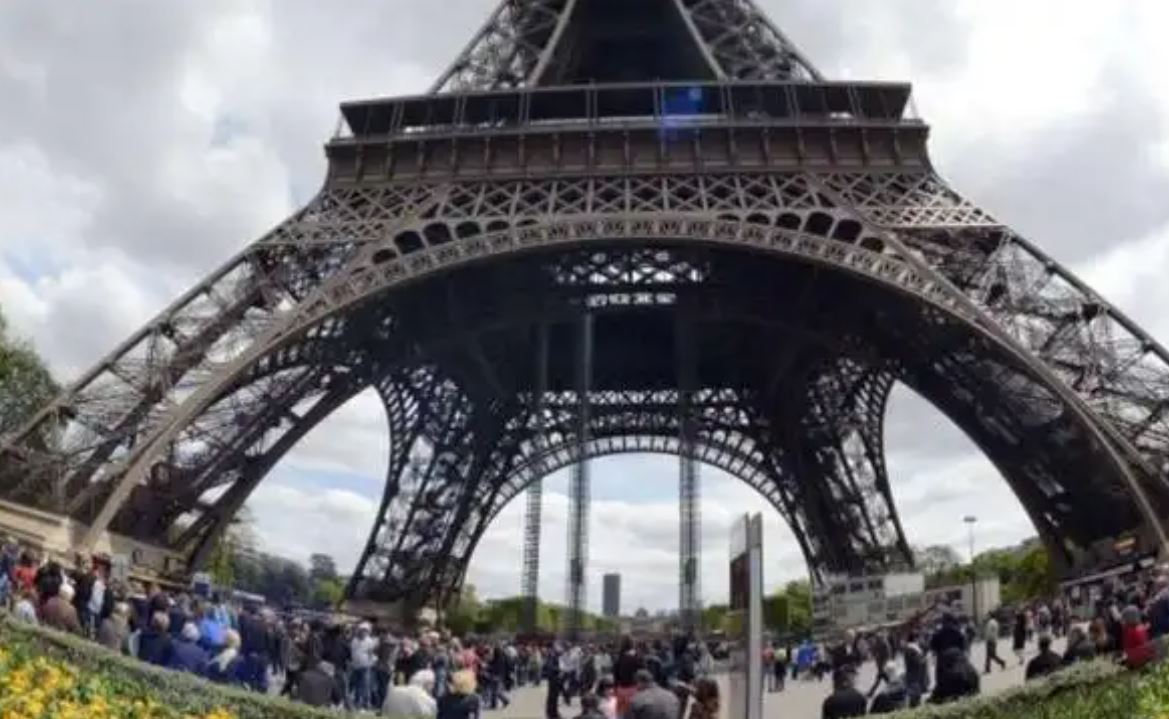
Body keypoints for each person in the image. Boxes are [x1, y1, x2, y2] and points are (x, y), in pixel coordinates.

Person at [350, 622, 378, 710]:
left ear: (368, 632)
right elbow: (352, 652)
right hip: (355, 666)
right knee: (356, 685)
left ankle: (366, 704)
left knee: (365, 685)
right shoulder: (354, 640)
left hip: (365, 666)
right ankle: (356, 702)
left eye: (365, 631)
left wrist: (371, 663)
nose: (363, 632)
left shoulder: (369, 641)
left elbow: (371, 653)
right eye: (362, 630)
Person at [1122, 604, 1155, 669]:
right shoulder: (1137, 629)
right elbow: (1143, 645)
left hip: (1133, 659)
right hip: (1141, 659)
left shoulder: (1127, 629)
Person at [902, 637, 929, 709]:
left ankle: (914, 707)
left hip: (913, 676)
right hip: (914, 677)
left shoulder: (910, 648)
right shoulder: (912, 648)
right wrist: (923, 659)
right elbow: (919, 660)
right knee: (915, 695)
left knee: (915, 695)